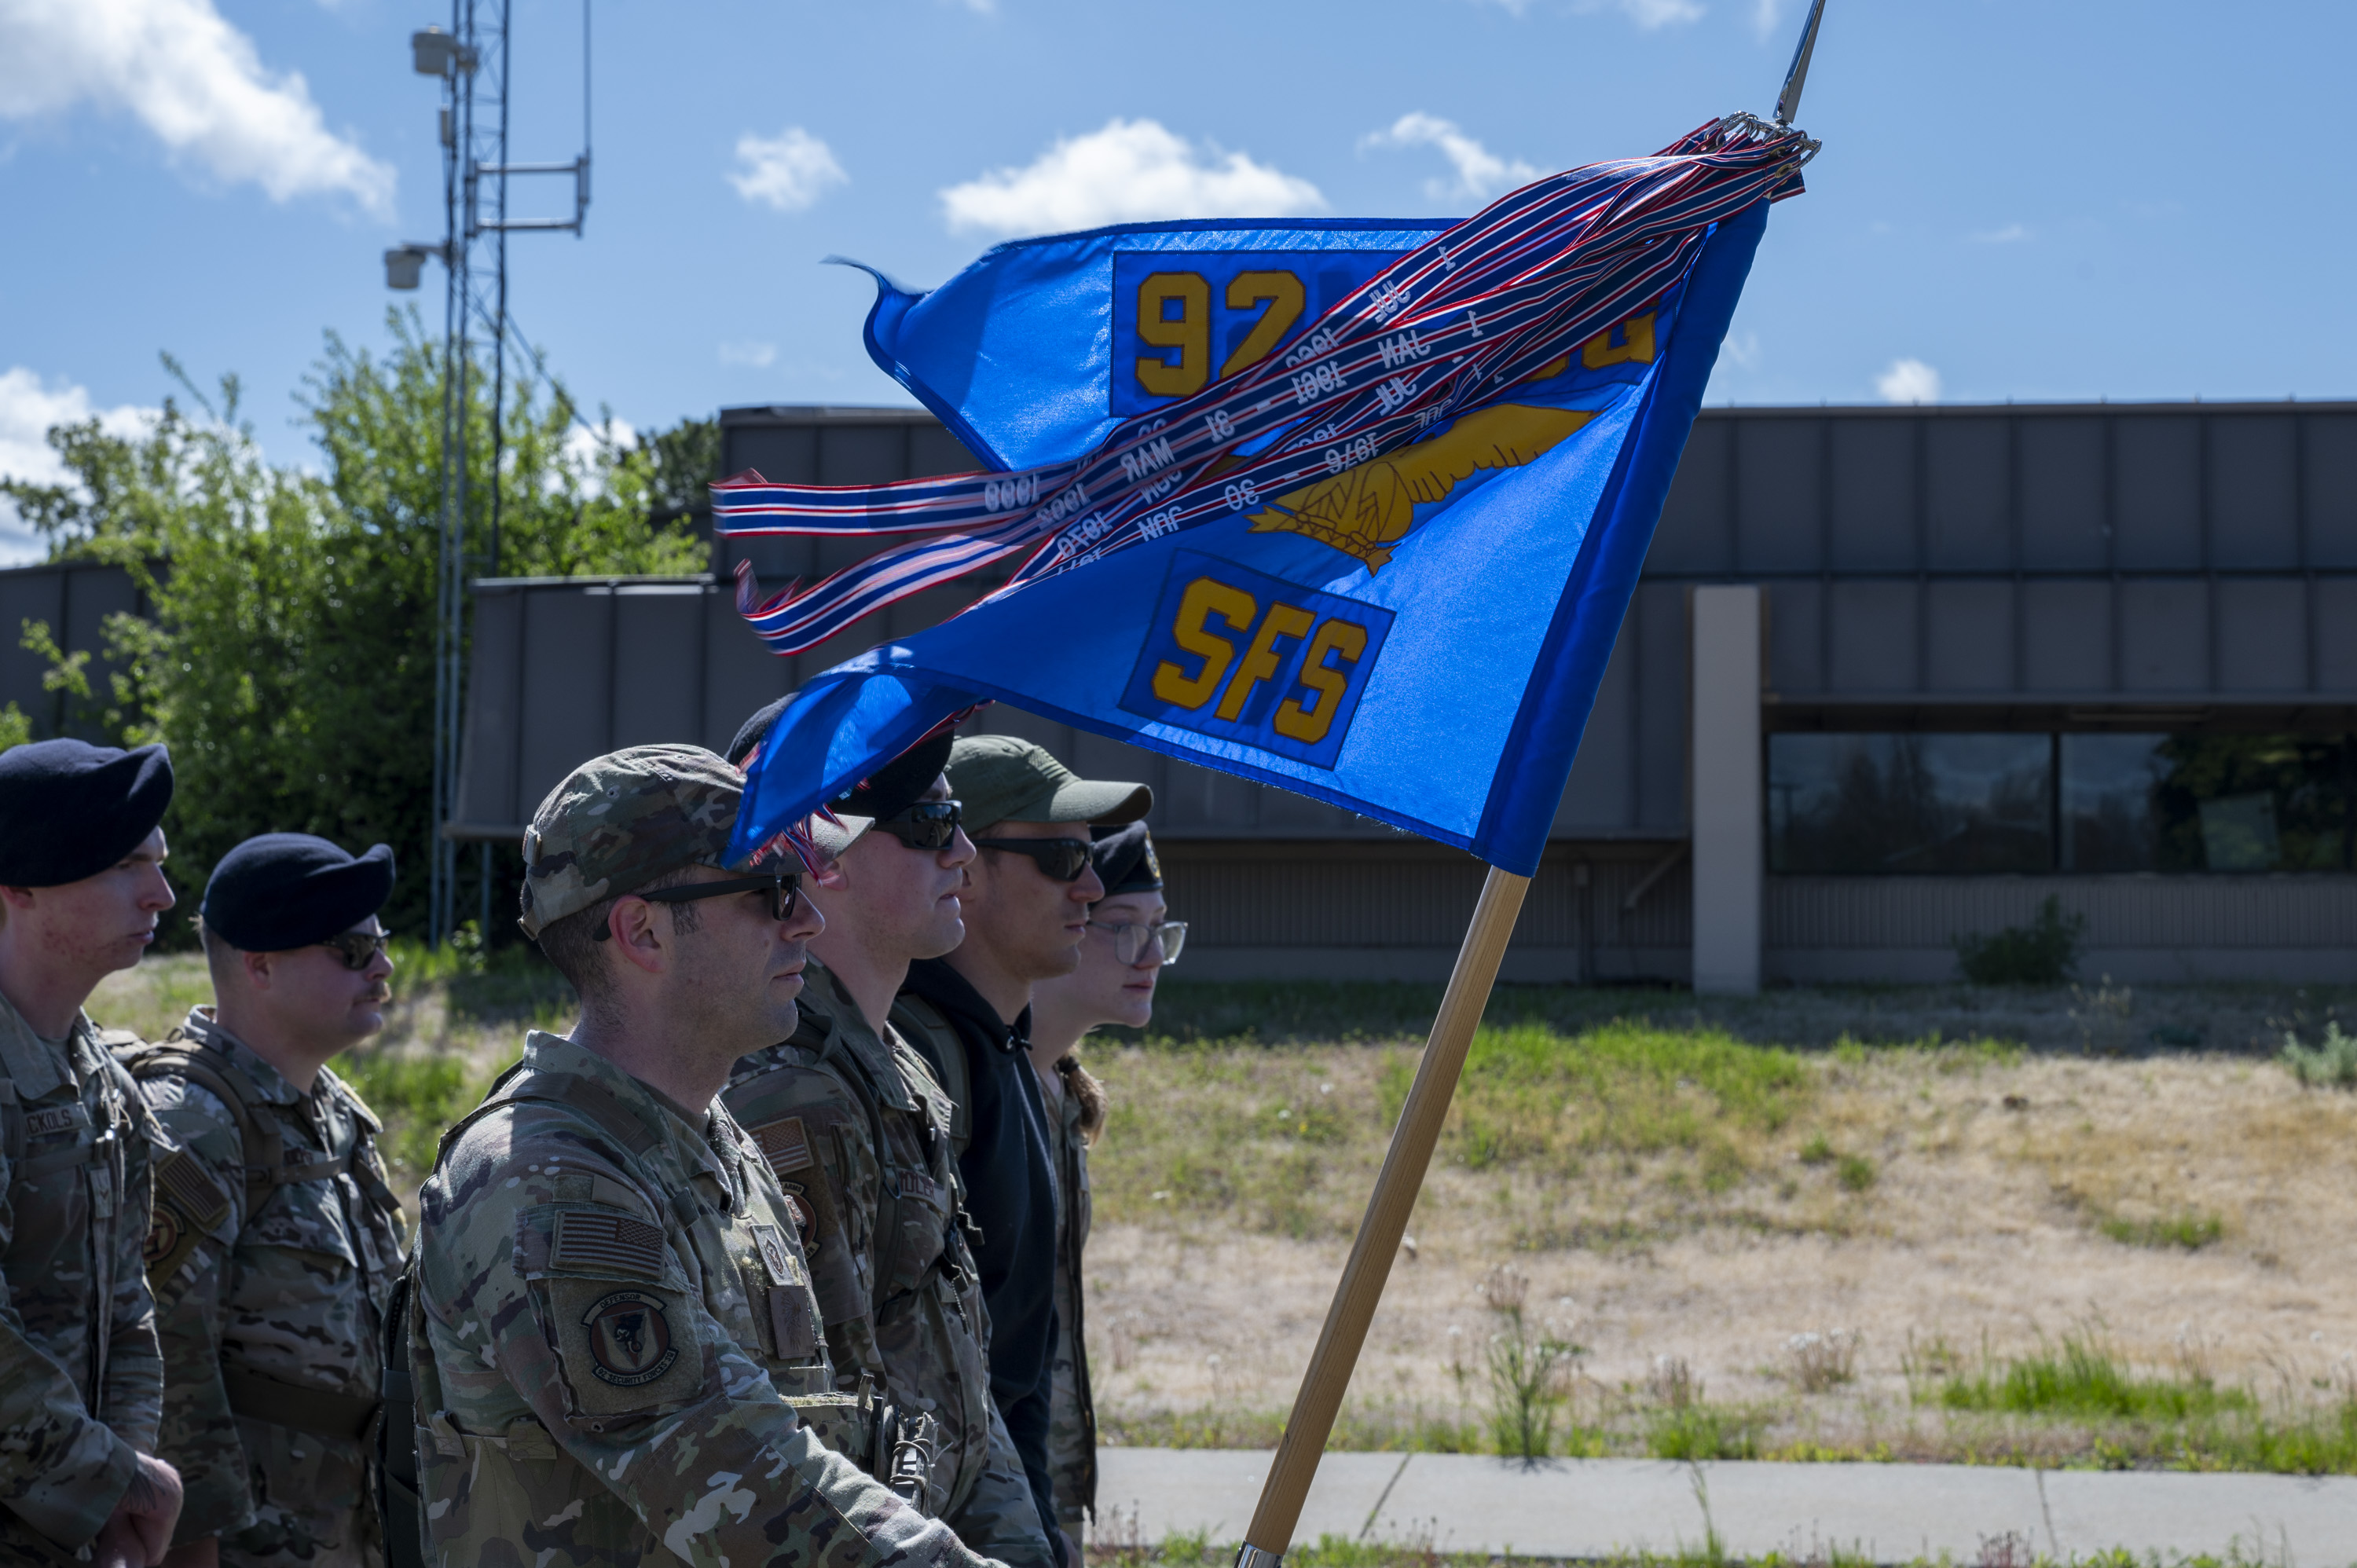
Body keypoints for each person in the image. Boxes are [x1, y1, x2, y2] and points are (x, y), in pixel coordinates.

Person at [407, 742, 1002, 1568]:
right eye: (772, 891)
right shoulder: (542, 1180)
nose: (808, 919)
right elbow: (740, 1477)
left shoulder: (718, 1147)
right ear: (643, 932)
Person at [721, 705, 1055, 1568]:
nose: (964, 852)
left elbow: (956, 1374)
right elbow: (815, 1422)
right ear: (822, 854)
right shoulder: (792, 1094)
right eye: (932, 824)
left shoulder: (894, 1066)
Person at [121, 835, 407, 1568]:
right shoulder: (192, 1125)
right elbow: (166, 1369)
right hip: (250, 1542)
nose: (382, 967)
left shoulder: (332, 1108)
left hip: (350, 1523)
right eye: (352, 950)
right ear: (260, 966)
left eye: (379, 943)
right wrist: (191, 1552)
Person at [893, 736, 1148, 1557]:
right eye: (1064, 858)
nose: (1092, 887)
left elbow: (1018, 1368)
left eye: (1089, 858)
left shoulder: (1007, 1058)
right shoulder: (914, 1064)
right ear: (966, 864)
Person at [0, 738, 186, 1568]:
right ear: (18, 887)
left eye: (159, 863)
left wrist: (121, 1485)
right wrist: (114, 1480)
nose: (162, 894)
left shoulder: (102, 1077)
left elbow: (128, 1305)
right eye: (123, 865)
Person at [1023, 821, 1183, 1560]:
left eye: (1159, 929)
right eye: (1123, 928)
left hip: (1043, 1482)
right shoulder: (969, 1089)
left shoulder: (1060, 1091)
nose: (1151, 956)